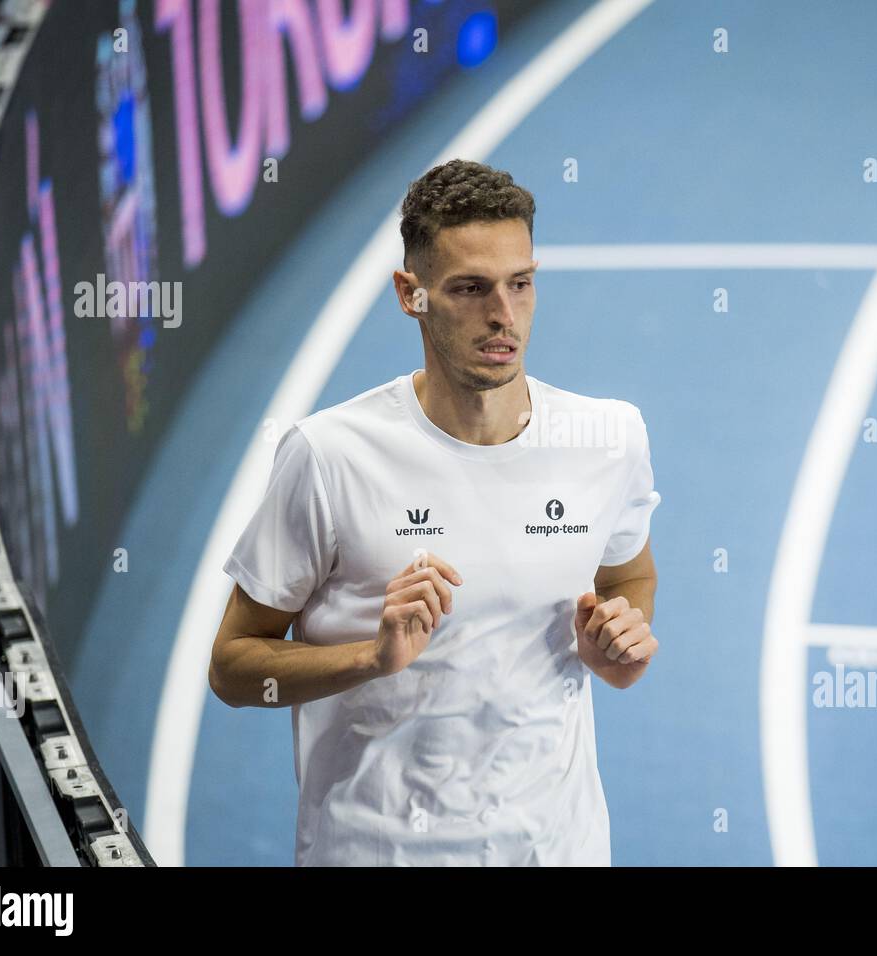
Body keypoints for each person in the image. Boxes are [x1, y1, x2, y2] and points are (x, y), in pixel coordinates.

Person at [208, 158, 662, 866]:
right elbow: (234, 666)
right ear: (410, 295)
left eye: (521, 284)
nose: (503, 316)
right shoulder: (329, 456)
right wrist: (370, 657)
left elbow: (630, 575)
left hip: (555, 850)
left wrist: (618, 650)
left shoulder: (608, 439)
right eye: (470, 289)